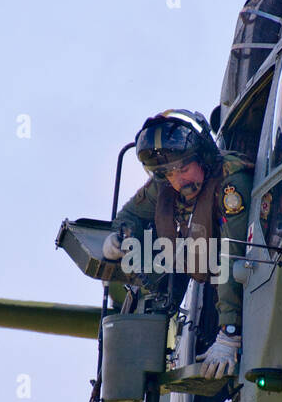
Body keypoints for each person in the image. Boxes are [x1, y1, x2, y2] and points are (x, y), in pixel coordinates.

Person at [102, 109, 253, 379]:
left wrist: (229, 332)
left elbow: (234, 254)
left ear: (203, 158)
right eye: (170, 174)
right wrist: (120, 236)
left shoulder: (231, 181)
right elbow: (130, 215)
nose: (179, 180)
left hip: (236, 285)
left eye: (184, 169)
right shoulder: (165, 186)